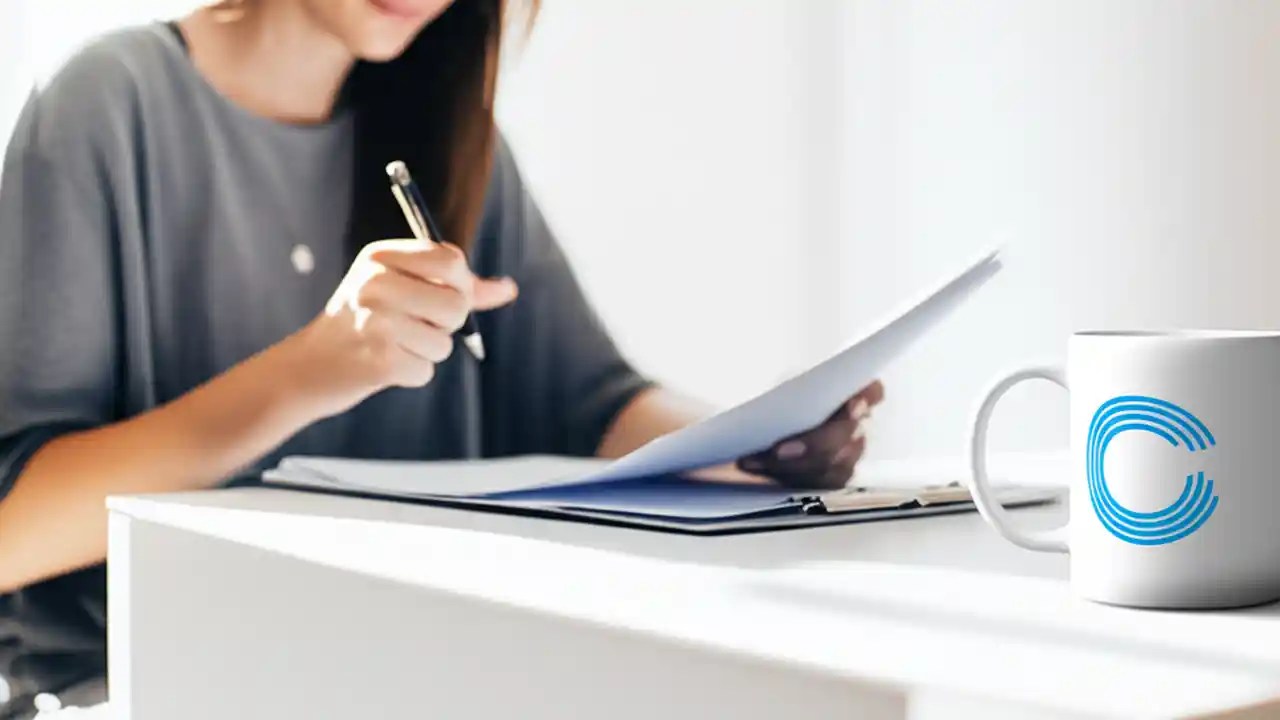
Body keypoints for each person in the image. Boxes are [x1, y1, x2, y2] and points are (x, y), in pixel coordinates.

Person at [0, 0, 884, 715]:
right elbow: (15, 529)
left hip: (416, 667)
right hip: (155, 686)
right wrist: (310, 370)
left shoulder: (452, 139)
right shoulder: (106, 106)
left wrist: (757, 441)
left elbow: (593, 404)